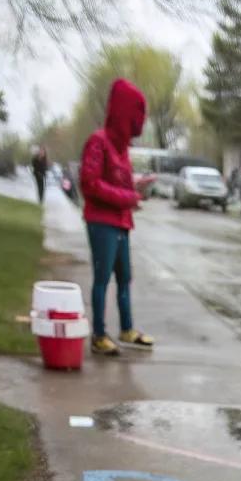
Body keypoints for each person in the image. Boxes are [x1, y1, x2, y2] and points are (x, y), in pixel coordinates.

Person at [79, 78, 155, 357]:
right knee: (102, 278)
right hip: (101, 222)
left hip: (121, 222)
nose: (139, 123)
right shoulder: (98, 142)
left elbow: (118, 183)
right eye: (136, 114)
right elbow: (90, 183)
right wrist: (129, 198)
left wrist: (136, 185)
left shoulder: (122, 149)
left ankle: (127, 328)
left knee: (125, 277)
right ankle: (98, 334)